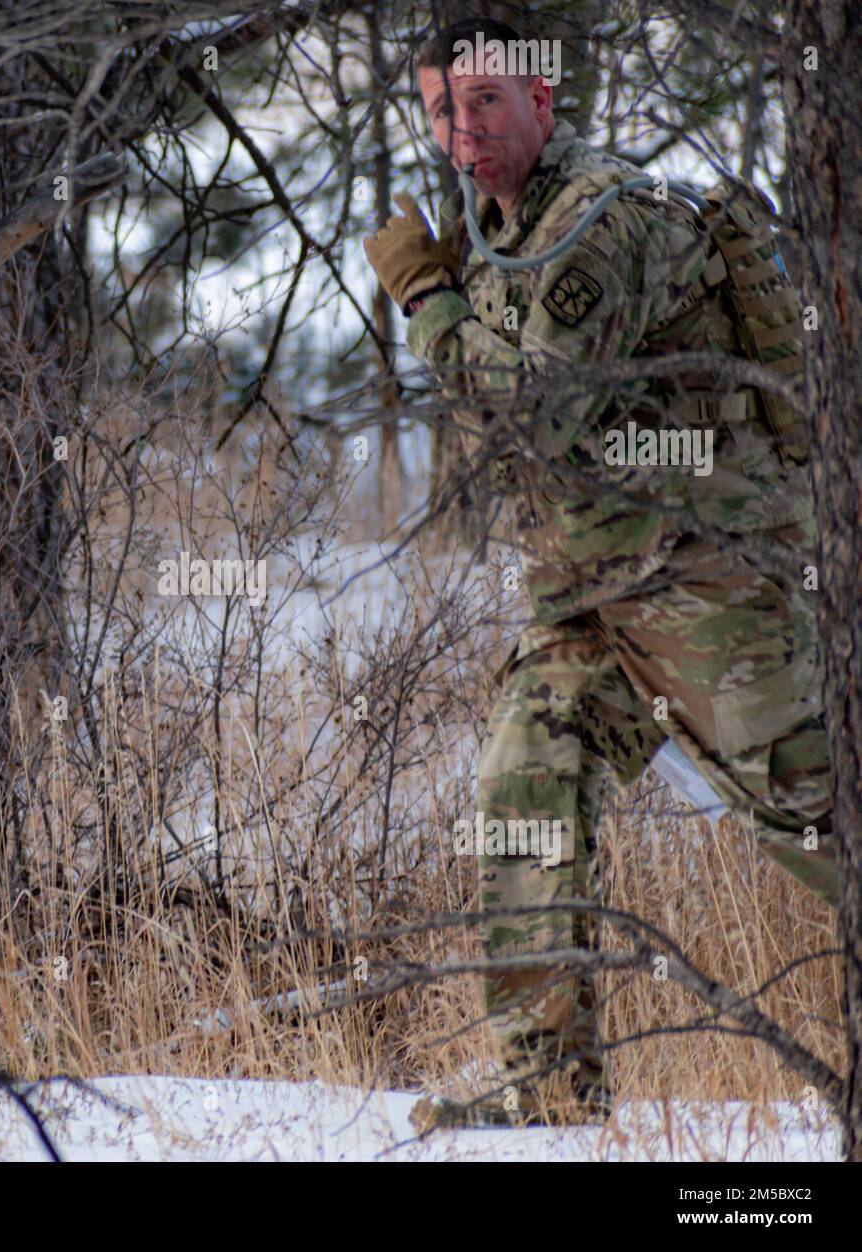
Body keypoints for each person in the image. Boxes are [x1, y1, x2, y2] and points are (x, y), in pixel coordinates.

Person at [362, 16, 839, 1131]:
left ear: (542, 98)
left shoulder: (595, 223)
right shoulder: (500, 225)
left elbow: (541, 415)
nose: (461, 131)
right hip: (590, 590)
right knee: (523, 788)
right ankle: (552, 1101)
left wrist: (426, 304)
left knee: (815, 825)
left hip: (704, 579)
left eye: (485, 102)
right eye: (441, 108)